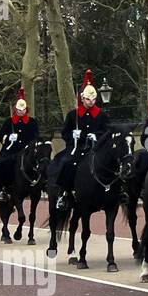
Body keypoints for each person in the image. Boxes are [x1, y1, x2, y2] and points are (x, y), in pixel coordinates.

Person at [49, 69, 109, 210]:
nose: (91, 102)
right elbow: (65, 132)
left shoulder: (102, 116)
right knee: (67, 163)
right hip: (77, 147)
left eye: (93, 99)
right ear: (82, 98)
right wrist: (72, 136)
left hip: (95, 149)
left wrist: (97, 137)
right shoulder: (73, 115)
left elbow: (107, 132)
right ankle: (64, 193)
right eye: (88, 99)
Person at [0, 88, 39, 203]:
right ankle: (3, 188)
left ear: (26, 110)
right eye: (19, 110)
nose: (21, 112)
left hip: (27, 150)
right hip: (11, 150)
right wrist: (7, 138)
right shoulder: (9, 122)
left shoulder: (32, 122)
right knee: (0, 165)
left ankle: (41, 185)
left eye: (23, 110)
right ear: (15, 110)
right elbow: (0, 135)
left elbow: (36, 136)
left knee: (42, 163)